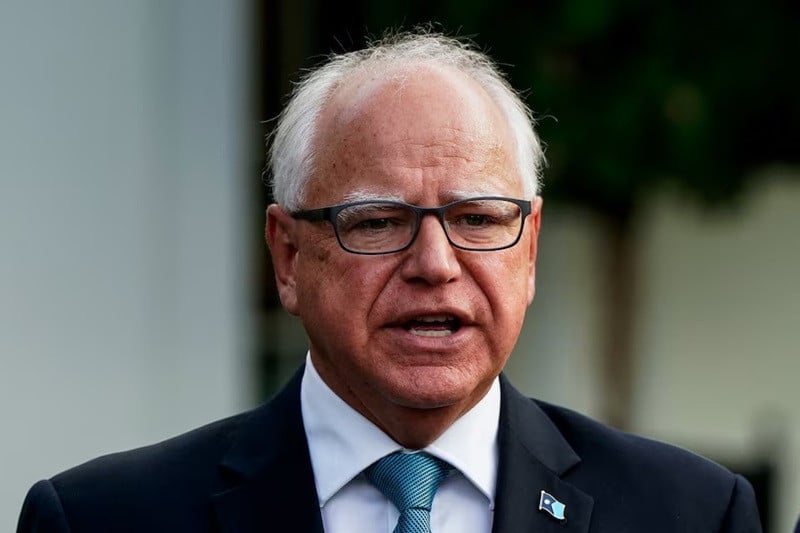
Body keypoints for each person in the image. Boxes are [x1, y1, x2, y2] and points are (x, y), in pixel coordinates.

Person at [17, 30, 761, 533]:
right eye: (375, 222)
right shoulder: (99, 517)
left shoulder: (692, 511)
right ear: (286, 256)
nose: (435, 264)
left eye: (476, 218)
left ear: (529, 250)